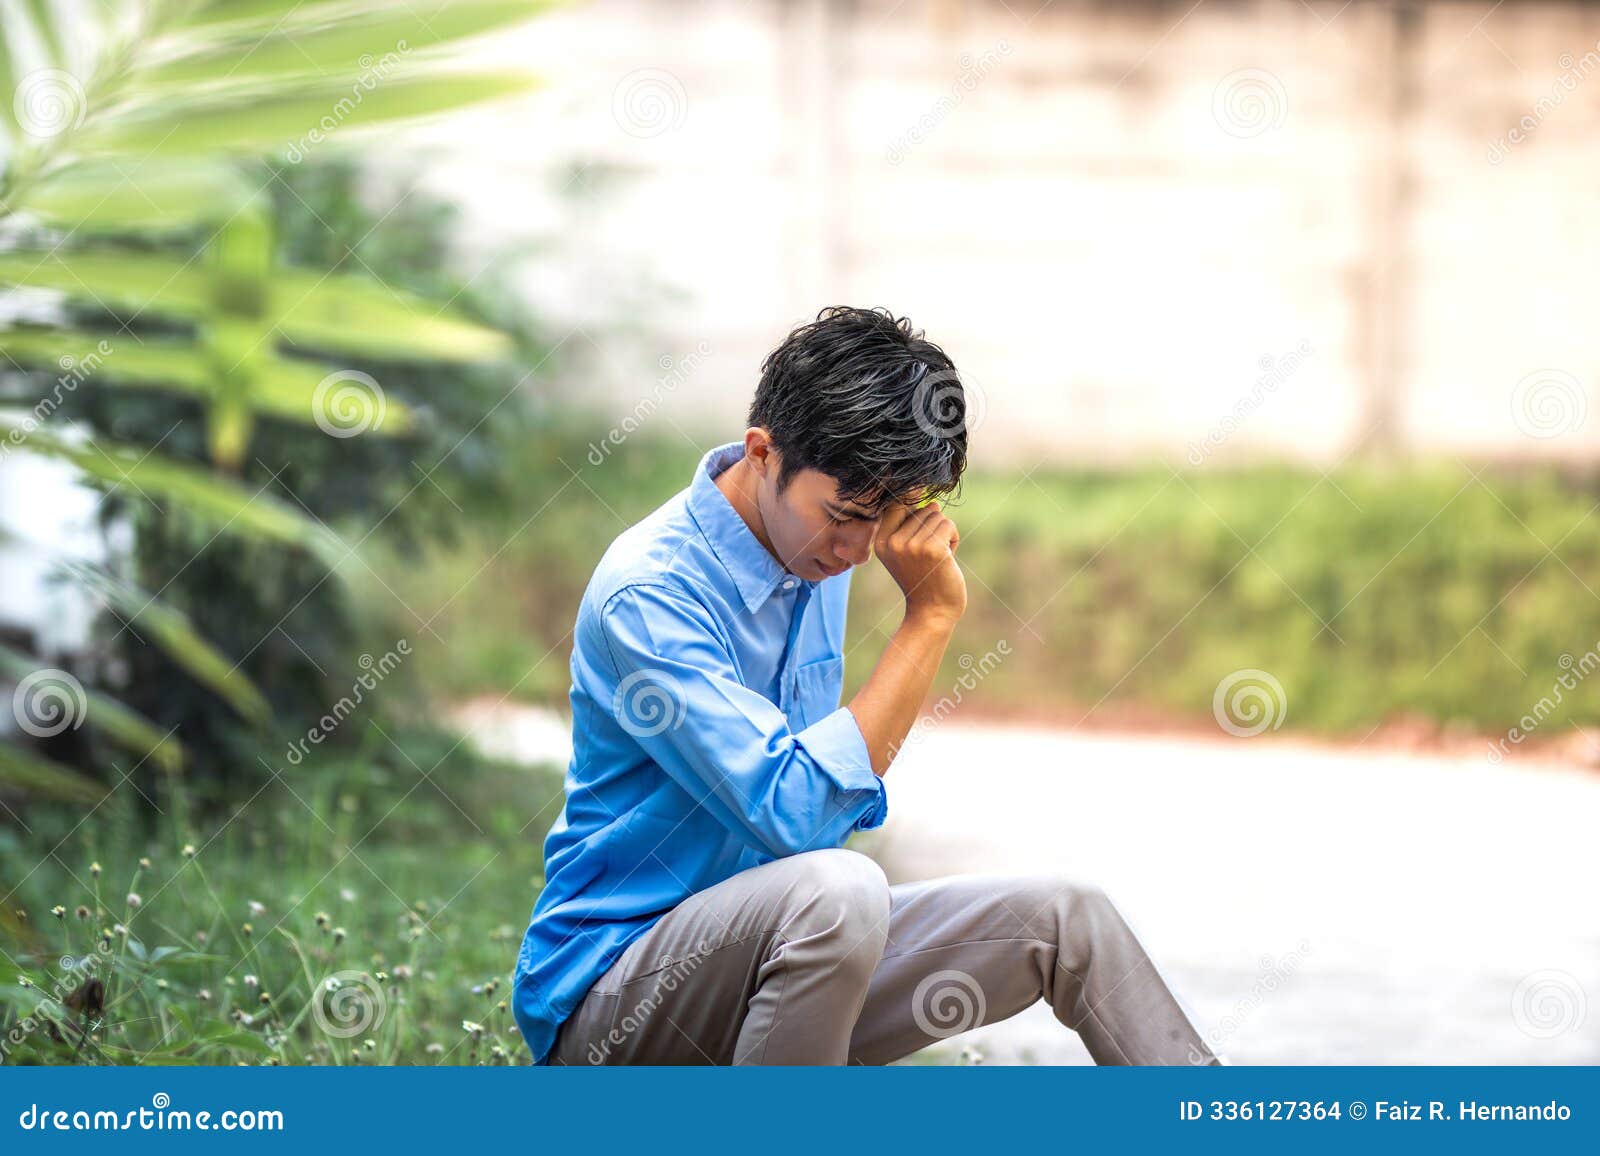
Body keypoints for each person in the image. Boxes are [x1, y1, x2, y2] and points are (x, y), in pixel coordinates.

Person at [511, 306, 1221, 1066]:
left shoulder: (808, 549)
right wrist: (930, 619)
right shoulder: (649, 593)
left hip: (780, 968)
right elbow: (794, 816)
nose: (854, 551)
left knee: (1068, 918)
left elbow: (813, 838)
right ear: (761, 452)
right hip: (619, 1004)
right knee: (841, 891)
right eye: (844, 517)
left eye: (881, 521)